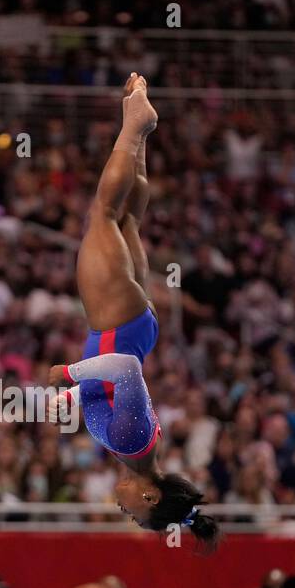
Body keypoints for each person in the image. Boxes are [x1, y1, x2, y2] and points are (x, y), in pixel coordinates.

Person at [45, 74, 219, 554]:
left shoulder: (139, 447)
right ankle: (135, 122)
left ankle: (138, 127)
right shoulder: (131, 441)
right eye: (138, 515)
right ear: (150, 494)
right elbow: (125, 370)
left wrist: (75, 397)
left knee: (126, 218)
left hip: (135, 327)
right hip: (117, 327)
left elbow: (113, 389)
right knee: (101, 214)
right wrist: (70, 372)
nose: (127, 512)